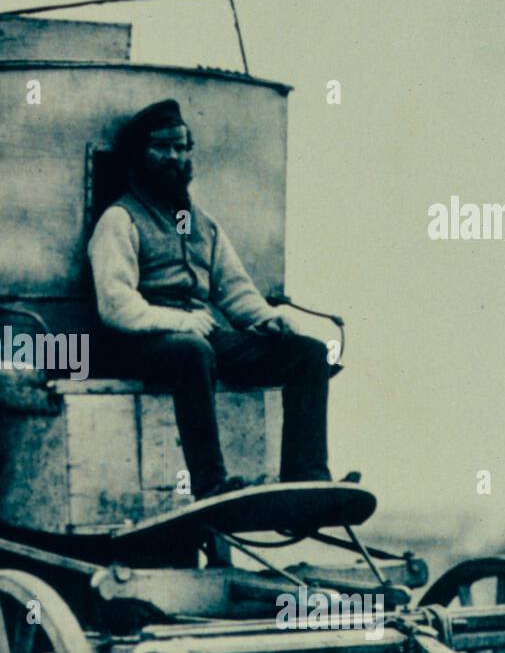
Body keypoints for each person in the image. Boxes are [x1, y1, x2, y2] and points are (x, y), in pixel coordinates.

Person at [87, 98, 348, 500]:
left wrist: (265, 319)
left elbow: (234, 289)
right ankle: (210, 485)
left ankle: (306, 477)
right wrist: (176, 321)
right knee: (193, 351)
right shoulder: (119, 220)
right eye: (162, 148)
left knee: (308, 354)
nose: (174, 157)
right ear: (140, 157)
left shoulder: (203, 224)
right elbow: (115, 303)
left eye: (181, 148)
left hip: (197, 337)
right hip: (136, 342)